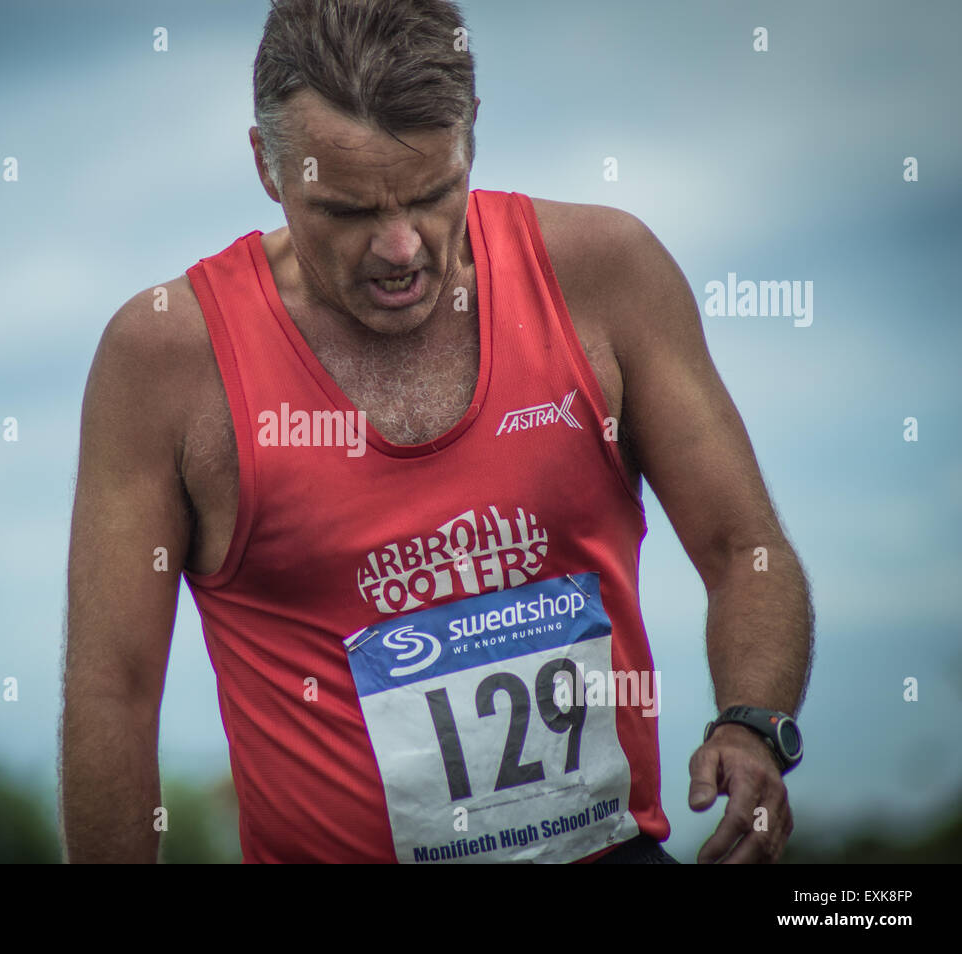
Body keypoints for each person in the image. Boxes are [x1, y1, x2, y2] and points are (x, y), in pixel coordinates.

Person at [61, 0, 813, 864]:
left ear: (472, 136)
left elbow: (743, 549)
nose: (400, 249)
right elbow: (113, 694)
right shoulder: (164, 358)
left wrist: (754, 725)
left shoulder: (607, 275)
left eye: (430, 195)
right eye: (345, 211)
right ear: (268, 166)